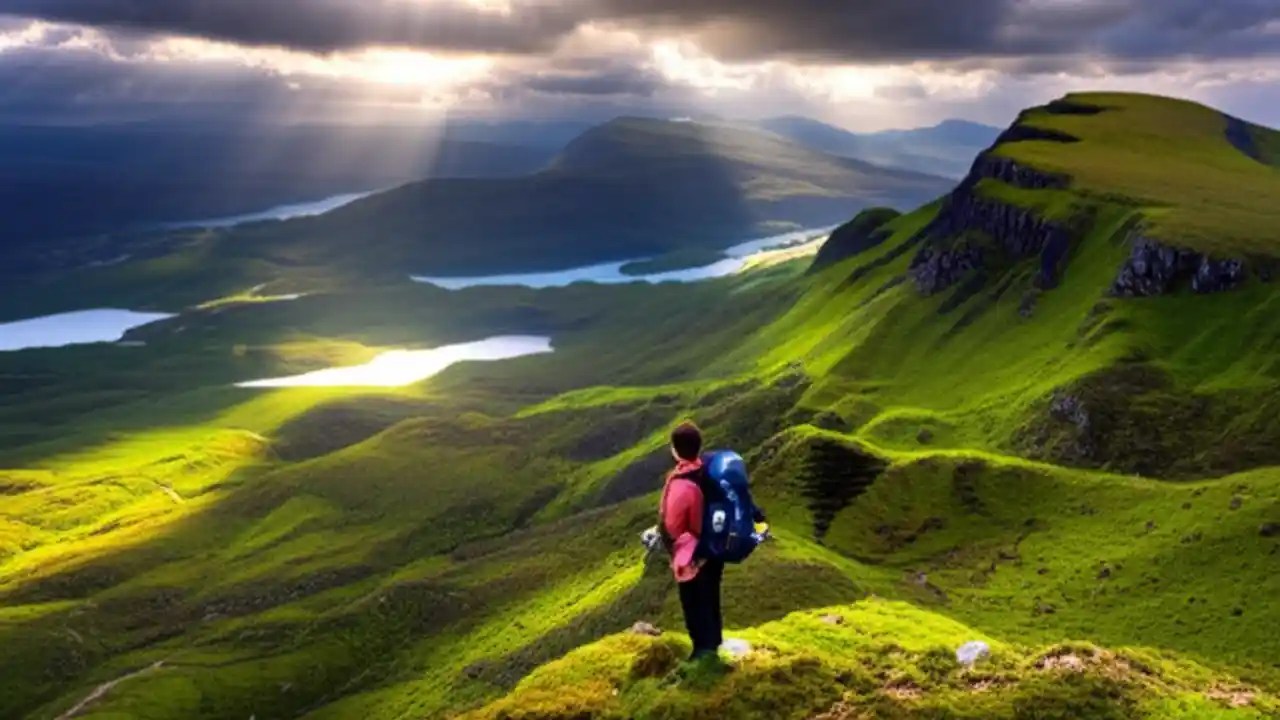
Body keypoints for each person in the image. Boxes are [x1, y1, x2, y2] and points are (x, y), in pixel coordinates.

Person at [658, 420, 724, 661]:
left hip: (693, 553)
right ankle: (713, 644)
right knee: (711, 597)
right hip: (715, 547)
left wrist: (673, 544)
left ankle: (703, 653)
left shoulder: (682, 484)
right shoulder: (708, 472)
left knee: (693, 603)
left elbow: (676, 524)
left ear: (675, 450)